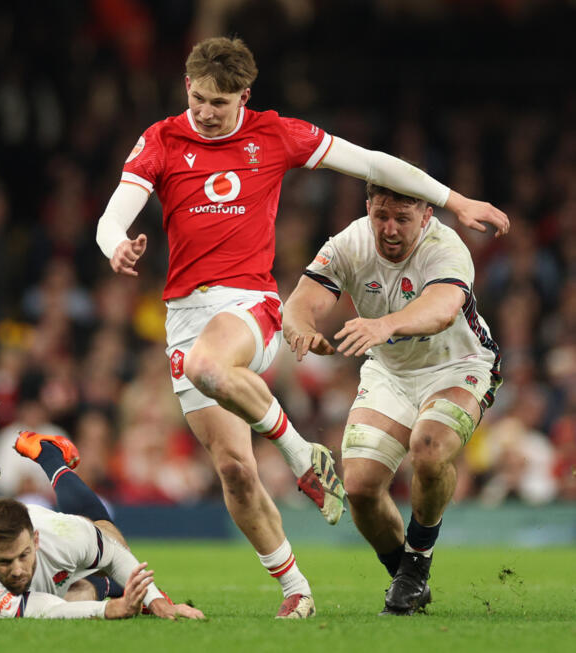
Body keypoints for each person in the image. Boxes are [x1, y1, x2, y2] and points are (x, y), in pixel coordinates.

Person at [94, 36, 508, 618]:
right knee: (235, 472)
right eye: (200, 99)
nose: (207, 112)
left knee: (210, 367)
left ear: (245, 95)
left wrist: (456, 199)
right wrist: (116, 246)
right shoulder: (162, 139)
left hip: (247, 305)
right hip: (183, 315)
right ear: (187, 87)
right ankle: (297, 591)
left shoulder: (275, 134)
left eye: (220, 102)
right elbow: (115, 212)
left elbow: (371, 163)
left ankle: (298, 454)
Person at [282, 182, 504, 615]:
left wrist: (386, 325)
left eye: (402, 218)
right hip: (391, 371)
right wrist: (301, 326)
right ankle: (406, 578)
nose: (389, 228)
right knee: (361, 488)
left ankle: (415, 570)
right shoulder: (350, 242)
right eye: (381, 215)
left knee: (429, 447)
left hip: (459, 365)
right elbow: (301, 301)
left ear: (425, 216)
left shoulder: (446, 246)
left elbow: (440, 310)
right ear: (368, 208)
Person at [0, 431, 205, 620]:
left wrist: (157, 600)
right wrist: (110, 607)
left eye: (23, 555)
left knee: (108, 536)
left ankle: (49, 456)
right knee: (73, 600)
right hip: (40, 595)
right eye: (4, 562)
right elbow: (45, 609)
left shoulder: (58, 534)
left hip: (54, 533)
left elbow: (115, 554)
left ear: (35, 540)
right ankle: (111, 588)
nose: (17, 570)